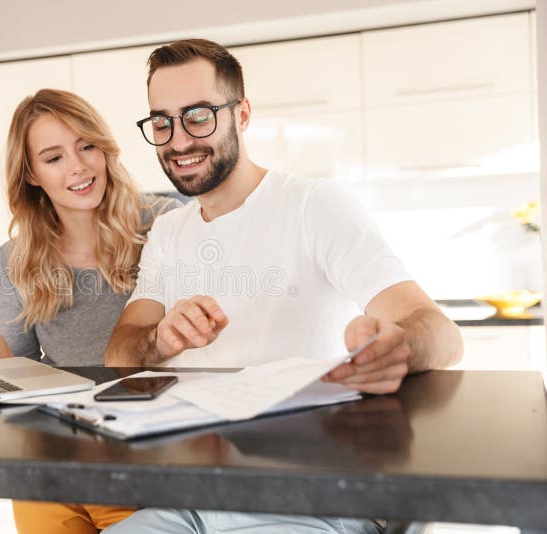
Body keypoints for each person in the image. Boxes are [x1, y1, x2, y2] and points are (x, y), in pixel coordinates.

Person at [103, 39, 463, 533]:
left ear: (242, 113)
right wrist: (158, 339)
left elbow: (441, 332)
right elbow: (119, 355)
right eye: (162, 122)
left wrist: (397, 347)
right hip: (186, 499)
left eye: (198, 115)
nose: (178, 140)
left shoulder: (312, 206)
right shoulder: (169, 231)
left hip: (304, 500)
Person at [0, 88, 180, 534]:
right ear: (32, 174)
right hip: (50, 454)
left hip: (142, 450)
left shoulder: (163, 222)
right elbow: (21, 373)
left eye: (86, 145)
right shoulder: (15, 259)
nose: (78, 166)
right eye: (53, 157)